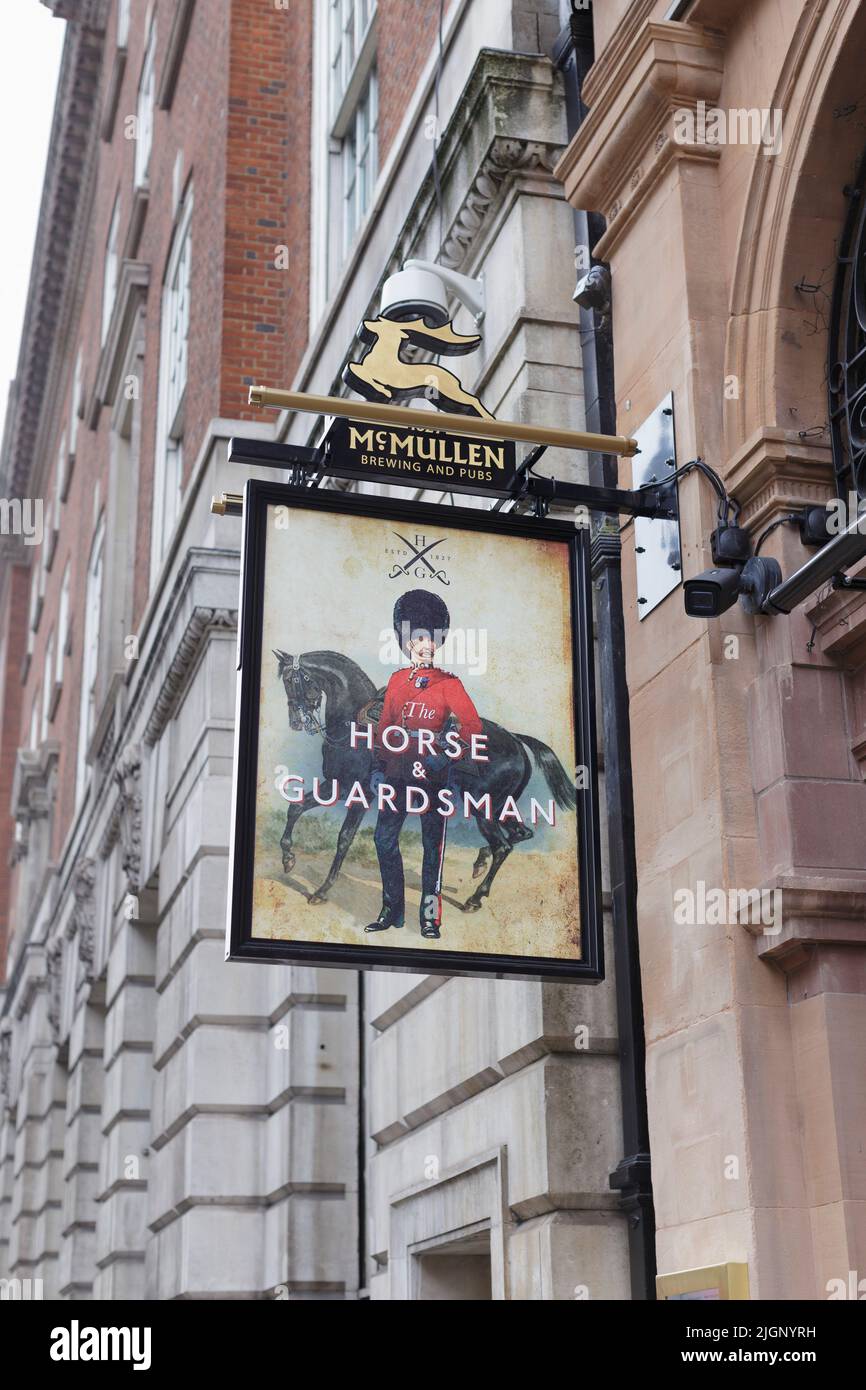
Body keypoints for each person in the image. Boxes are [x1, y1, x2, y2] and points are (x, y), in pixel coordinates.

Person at [365, 590, 482, 940]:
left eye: (431, 638)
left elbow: (472, 727)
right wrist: (377, 766)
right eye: (418, 638)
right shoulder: (398, 681)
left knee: (433, 847)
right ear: (407, 642)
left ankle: (430, 917)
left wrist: (446, 754)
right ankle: (391, 909)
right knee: (384, 839)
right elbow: (385, 727)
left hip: (434, 774)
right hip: (398, 772)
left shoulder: (450, 684)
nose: (425, 644)